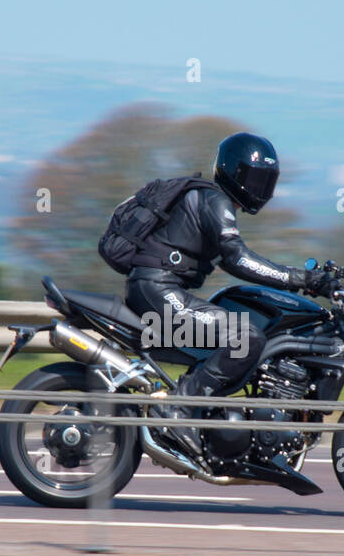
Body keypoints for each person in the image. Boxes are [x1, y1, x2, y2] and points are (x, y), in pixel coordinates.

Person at [124, 132, 328, 458]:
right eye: (253, 177)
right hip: (156, 290)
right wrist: (301, 278)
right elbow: (239, 259)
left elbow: (234, 257)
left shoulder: (211, 202)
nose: (259, 187)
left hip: (158, 289)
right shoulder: (214, 201)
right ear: (232, 171)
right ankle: (179, 410)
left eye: (265, 180)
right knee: (246, 337)